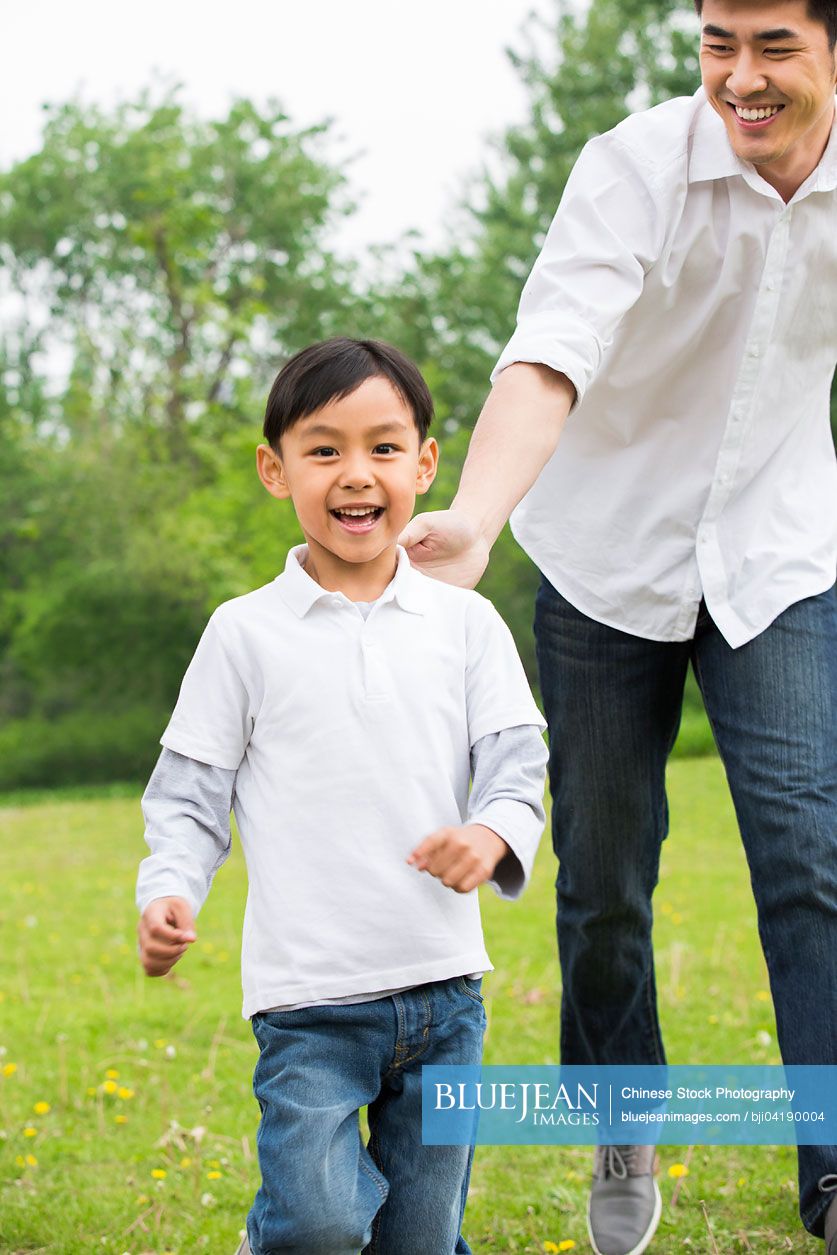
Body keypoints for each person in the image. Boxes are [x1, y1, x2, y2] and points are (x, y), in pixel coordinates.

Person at [398, 1, 837, 1251]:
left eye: (774, 49)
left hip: (781, 552)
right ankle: (620, 1112)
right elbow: (549, 356)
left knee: (814, 862)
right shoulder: (639, 168)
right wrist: (477, 520)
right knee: (600, 880)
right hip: (605, 560)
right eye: (716, 44)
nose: (739, 79)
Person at [135, 337, 548, 1255]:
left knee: (421, 1238)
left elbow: (518, 764)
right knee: (318, 1222)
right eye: (323, 450)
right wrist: (169, 889)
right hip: (309, 999)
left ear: (425, 464)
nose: (355, 474)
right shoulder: (243, 634)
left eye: (383, 447)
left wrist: (490, 832)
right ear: (273, 470)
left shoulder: (466, 624)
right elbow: (190, 796)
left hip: (445, 993)